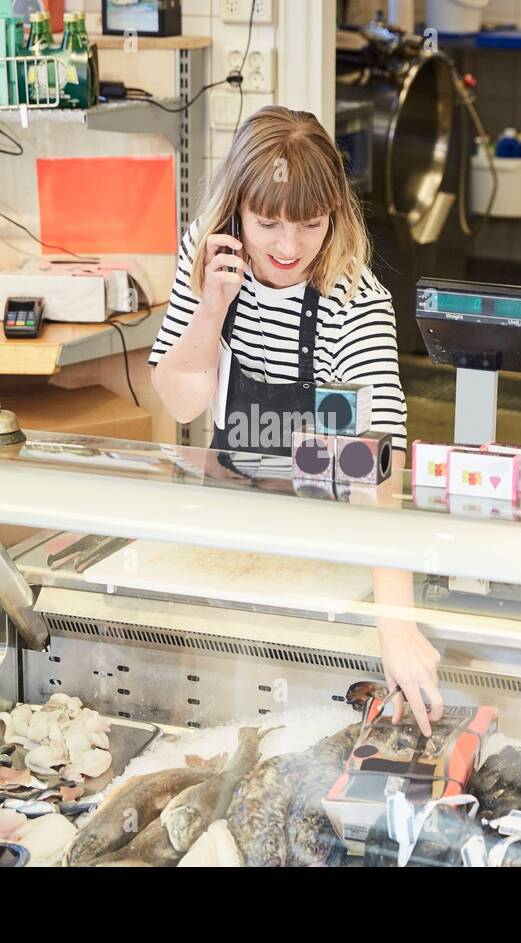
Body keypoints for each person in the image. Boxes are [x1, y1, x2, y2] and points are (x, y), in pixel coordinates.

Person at [149, 106, 444, 733]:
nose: (287, 248)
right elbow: (180, 402)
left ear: (333, 214)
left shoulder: (354, 299)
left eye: (309, 224)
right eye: (267, 224)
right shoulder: (208, 250)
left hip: (327, 547)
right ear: (236, 210)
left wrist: (395, 622)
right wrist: (211, 307)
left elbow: (374, 472)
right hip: (226, 531)